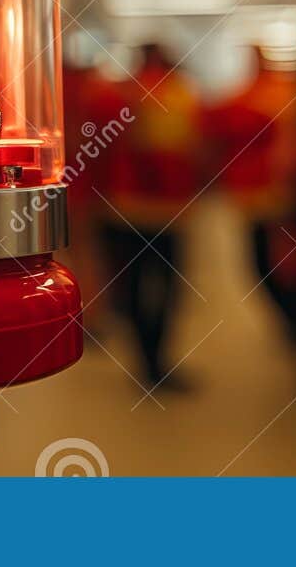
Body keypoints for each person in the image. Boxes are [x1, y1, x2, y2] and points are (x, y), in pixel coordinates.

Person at [98, 42, 205, 391]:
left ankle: (145, 361)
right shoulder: (179, 93)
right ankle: (157, 362)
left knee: (133, 287)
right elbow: (193, 149)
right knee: (168, 289)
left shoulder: (122, 93)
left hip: (126, 207)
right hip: (168, 211)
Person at [205, 46, 296, 344]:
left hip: (278, 196)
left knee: (273, 264)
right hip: (263, 197)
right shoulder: (262, 93)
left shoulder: (278, 93)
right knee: (268, 265)